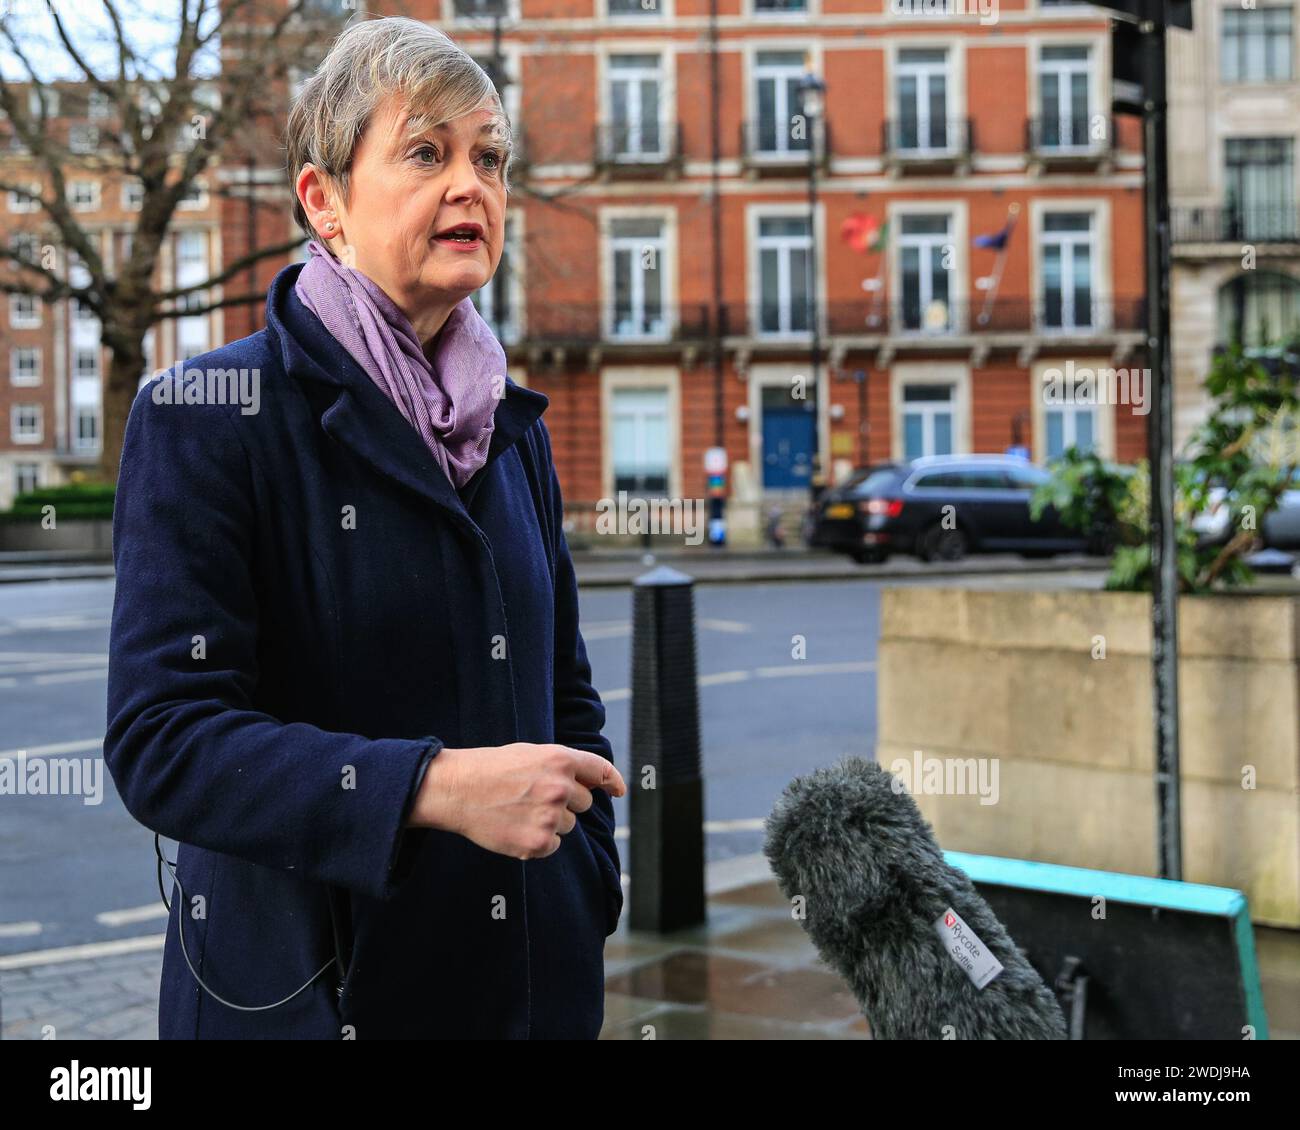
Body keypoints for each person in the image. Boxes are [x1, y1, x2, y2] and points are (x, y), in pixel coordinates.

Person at [104, 16, 626, 1040]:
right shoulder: (206, 416)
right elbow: (163, 740)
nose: (471, 185)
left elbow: (564, 692)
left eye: (490, 158)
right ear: (324, 201)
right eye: (427, 153)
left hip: (526, 999)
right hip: (316, 1000)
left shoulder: (512, 429)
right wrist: (429, 787)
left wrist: (584, 883)